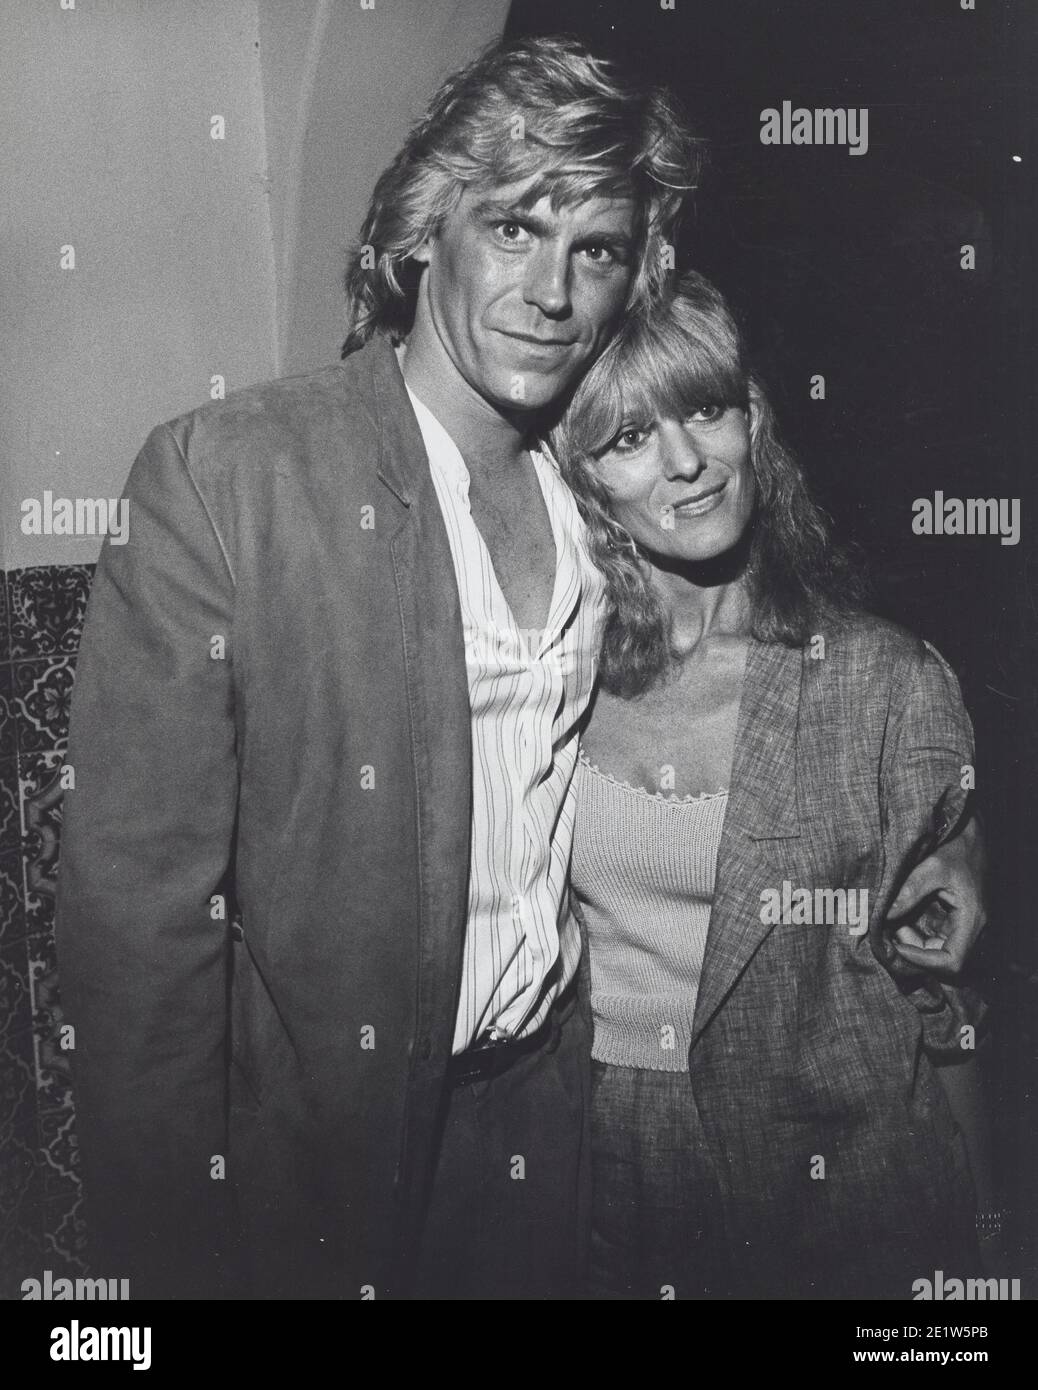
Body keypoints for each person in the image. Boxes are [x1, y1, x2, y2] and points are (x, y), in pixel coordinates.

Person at [56, 36, 985, 1301]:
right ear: (422, 230)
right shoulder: (231, 478)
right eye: (512, 228)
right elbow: (136, 938)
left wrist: (939, 832)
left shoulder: (597, 481)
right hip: (317, 1162)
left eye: (594, 248)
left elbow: (784, 697)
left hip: (556, 1139)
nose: (552, 289)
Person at [552, 271, 993, 1300]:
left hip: (838, 1186)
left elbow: (945, 995)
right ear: (583, 480)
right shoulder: (543, 677)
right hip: (592, 1165)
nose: (687, 461)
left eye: (707, 407)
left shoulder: (884, 679)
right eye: (628, 437)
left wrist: (985, 1264)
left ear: (752, 418)